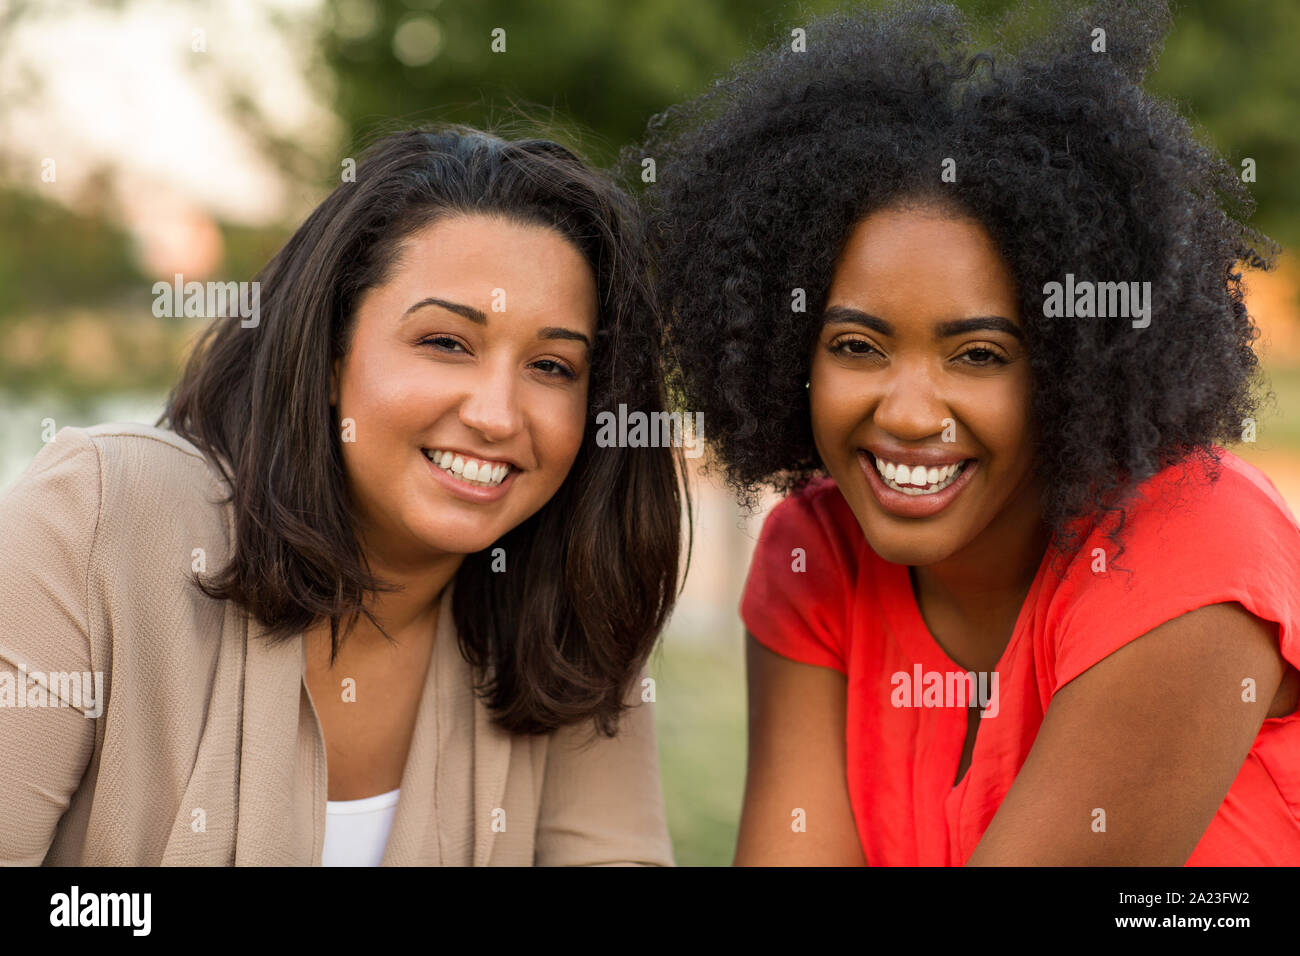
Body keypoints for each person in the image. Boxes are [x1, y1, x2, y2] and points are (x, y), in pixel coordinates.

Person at [633, 0, 1300, 864]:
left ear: (1072, 366)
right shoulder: (816, 554)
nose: (908, 414)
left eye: (980, 354)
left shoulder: (1190, 549)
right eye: (857, 346)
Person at [0, 126, 685, 866]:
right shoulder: (101, 516)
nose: (496, 414)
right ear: (328, 357)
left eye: (552, 366)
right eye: (446, 343)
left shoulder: (573, 618)